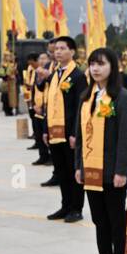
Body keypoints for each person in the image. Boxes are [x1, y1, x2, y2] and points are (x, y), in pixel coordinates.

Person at [75, 47, 127, 254]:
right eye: (92, 64)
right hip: (91, 168)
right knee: (99, 217)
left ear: (113, 67)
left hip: (111, 170)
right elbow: (81, 135)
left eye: (101, 64)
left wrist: (122, 170)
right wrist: (78, 165)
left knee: (116, 217)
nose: (95, 68)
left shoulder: (121, 97)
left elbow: (125, 136)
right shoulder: (87, 96)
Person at [44, 35, 87, 222]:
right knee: (61, 172)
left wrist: (75, 133)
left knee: (73, 172)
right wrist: (46, 129)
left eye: (62, 48)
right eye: (56, 49)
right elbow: (49, 102)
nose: (58, 52)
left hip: (69, 133)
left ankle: (76, 208)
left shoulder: (78, 76)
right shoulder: (55, 75)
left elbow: (80, 106)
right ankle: (65, 205)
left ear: (72, 51)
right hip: (54, 133)